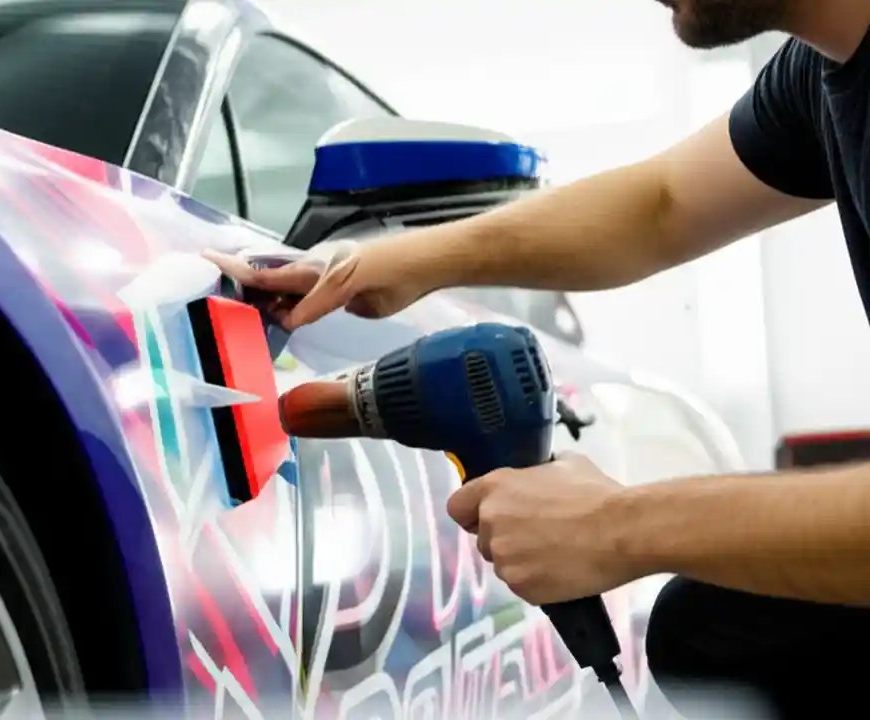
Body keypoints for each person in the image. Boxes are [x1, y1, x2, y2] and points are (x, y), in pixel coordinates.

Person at [205, 0, 870, 717]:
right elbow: (661, 203)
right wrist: (393, 261)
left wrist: (617, 525)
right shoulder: (821, 75)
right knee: (717, 627)